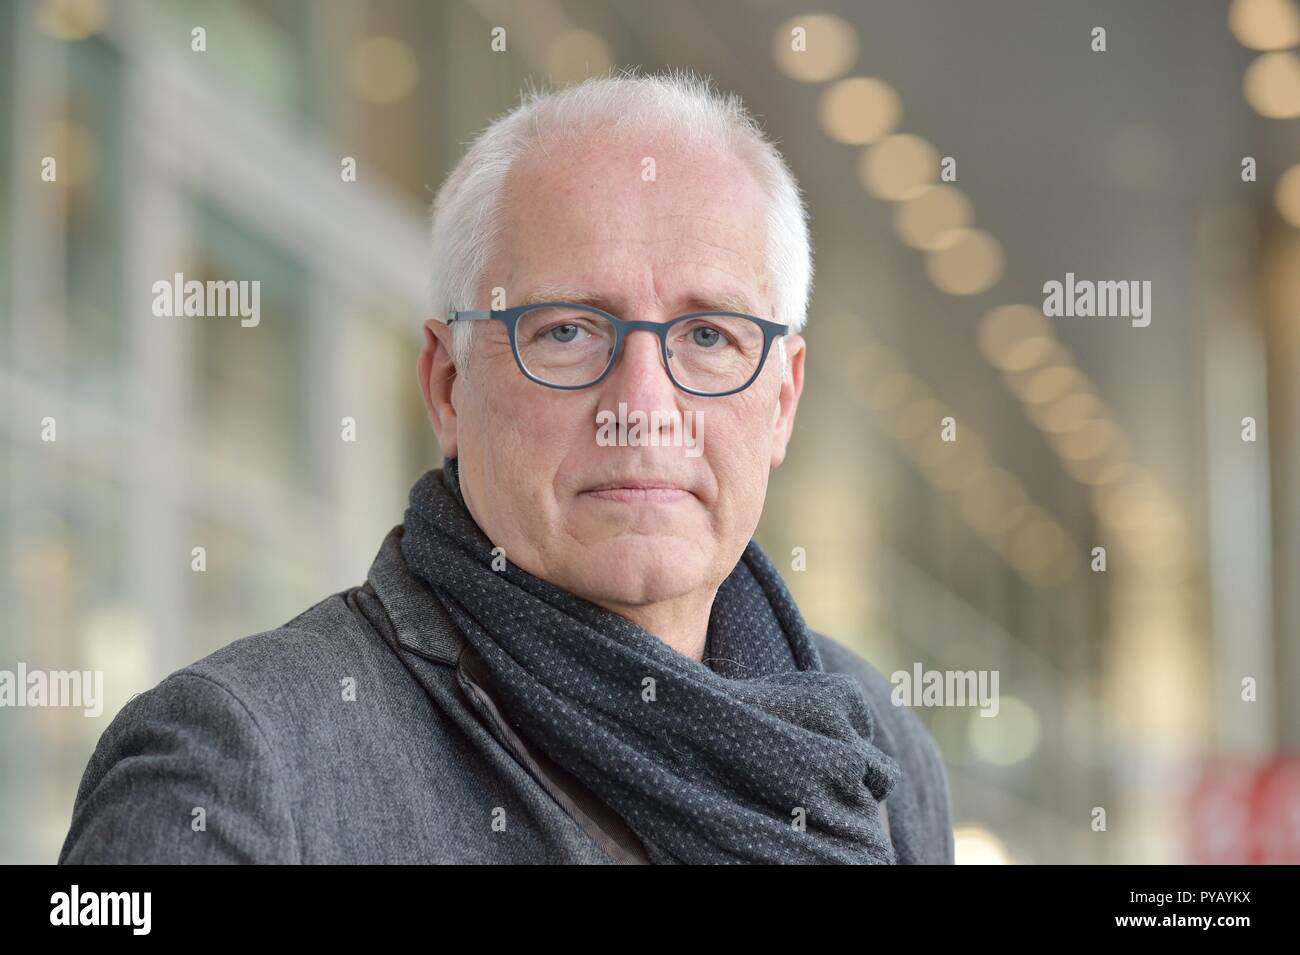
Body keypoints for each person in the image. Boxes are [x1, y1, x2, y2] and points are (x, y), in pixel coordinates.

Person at [59, 68, 953, 864]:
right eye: (567, 331)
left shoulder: (873, 747)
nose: (641, 406)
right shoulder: (239, 761)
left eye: (710, 335)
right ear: (450, 387)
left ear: (783, 401)